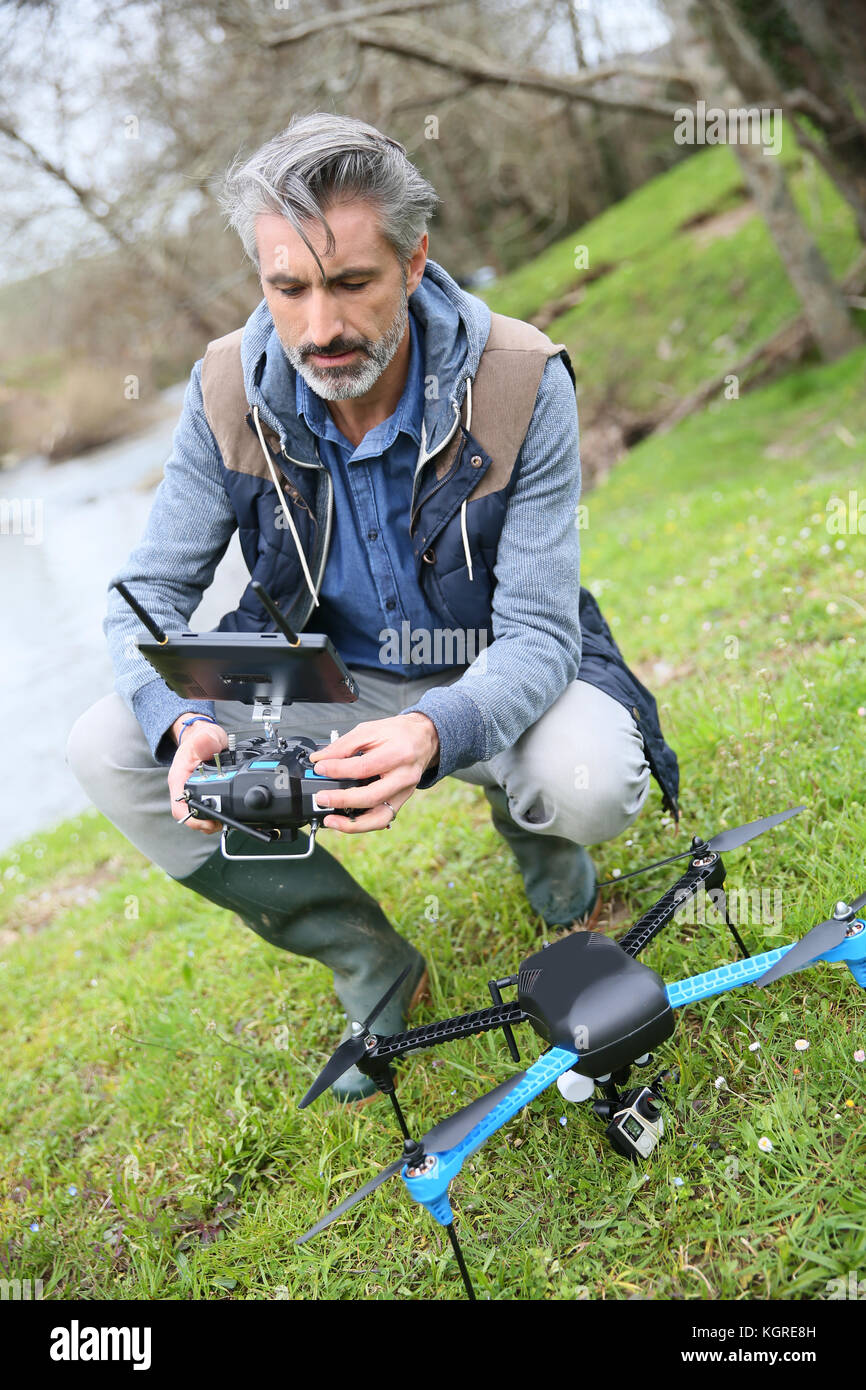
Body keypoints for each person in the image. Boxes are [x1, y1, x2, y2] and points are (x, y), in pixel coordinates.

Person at [65, 112, 679, 1101]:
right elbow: (145, 597)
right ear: (259, 276)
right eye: (287, 287)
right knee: (108, 743)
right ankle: (365, 957)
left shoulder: (521, 376)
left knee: (589, 777)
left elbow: (537, 631)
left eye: (351, 282)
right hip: (322, 677)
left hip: (492, 667)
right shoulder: (226, 387)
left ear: (412, 258)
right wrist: (180, 718)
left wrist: (433, 731)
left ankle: (538, 829)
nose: (319, 328)